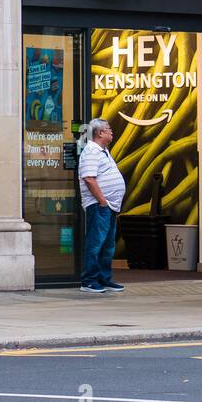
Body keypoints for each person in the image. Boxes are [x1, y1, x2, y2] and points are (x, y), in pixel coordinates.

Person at [78, 117, 126, 294]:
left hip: (108, 206)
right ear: (99, 133)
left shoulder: (102, 151)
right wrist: (102, 201)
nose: (111, 131)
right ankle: (89, 281)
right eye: (108, 129)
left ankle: (103, 278)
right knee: (96, 243)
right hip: (100, 206)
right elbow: (89, 178)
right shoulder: (91, 151)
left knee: (107, 245)